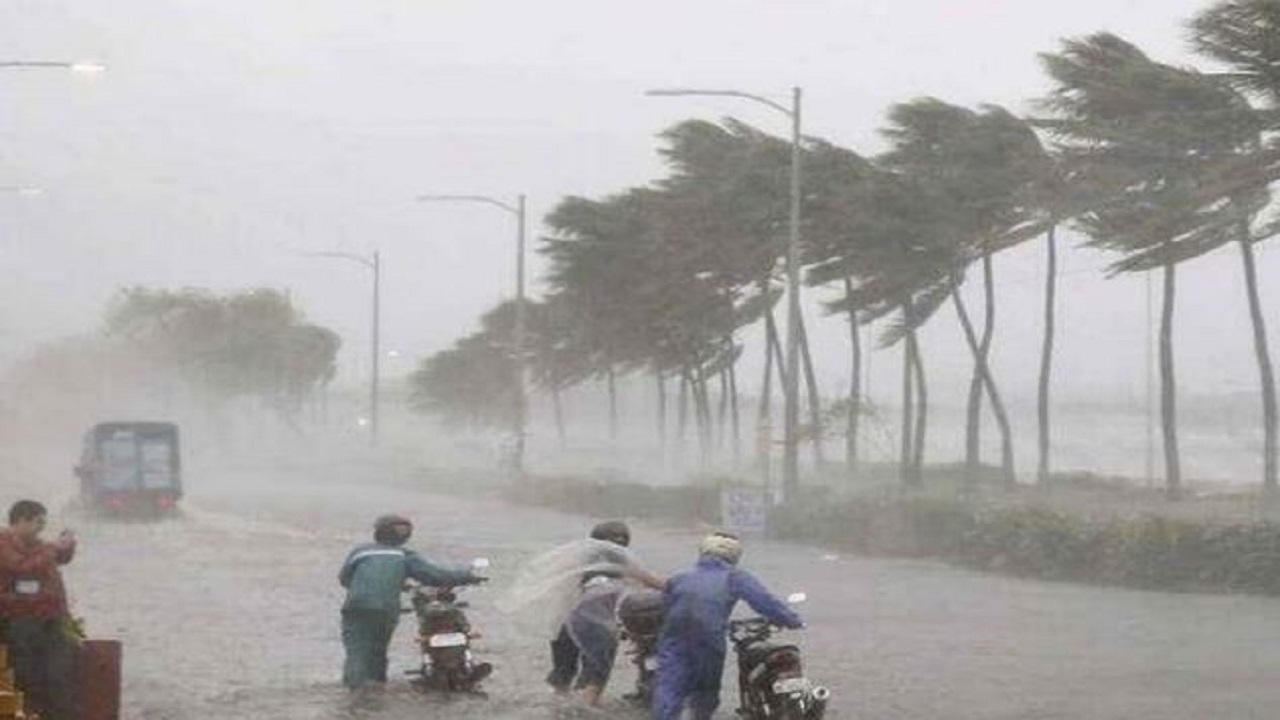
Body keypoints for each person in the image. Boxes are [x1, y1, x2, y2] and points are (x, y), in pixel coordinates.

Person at [651, 532, 803, 720]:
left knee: (670, 685)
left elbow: (666, 607)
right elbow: (765, 602)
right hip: (709, 637)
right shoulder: (734, 577)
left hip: (674, 636)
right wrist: (792, 620)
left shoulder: (679, 577)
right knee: (706, 687)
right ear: (734, 556)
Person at [338, 514, 486, 690]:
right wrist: (468, 575)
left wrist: (382, 586)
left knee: (356, 651)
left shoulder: (360, 552)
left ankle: (354, 692)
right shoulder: (403, 555)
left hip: (356, 607)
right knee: (378, 650)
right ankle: (376, 689)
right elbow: (436, 575)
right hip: (386, 609)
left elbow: (345, 578)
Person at [547, 520, 664, 706]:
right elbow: (653, 582)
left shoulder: (578, 561)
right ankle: (584, 709)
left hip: (565, 622)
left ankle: (557, 710)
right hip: (597, 625)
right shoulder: (620, 563)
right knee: (595, 676)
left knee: (562, 675)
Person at [0, 500, 78, 720]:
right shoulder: (3, 543)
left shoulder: (38, 544)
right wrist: (53, 547)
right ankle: (30, 712)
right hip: (19, 618)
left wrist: (67, 544)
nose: (41, 529)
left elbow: (60, 558)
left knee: (61, 670)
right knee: (27, 671)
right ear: (21, 520)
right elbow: (22, 566)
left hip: (51, 616)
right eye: (38, 523)